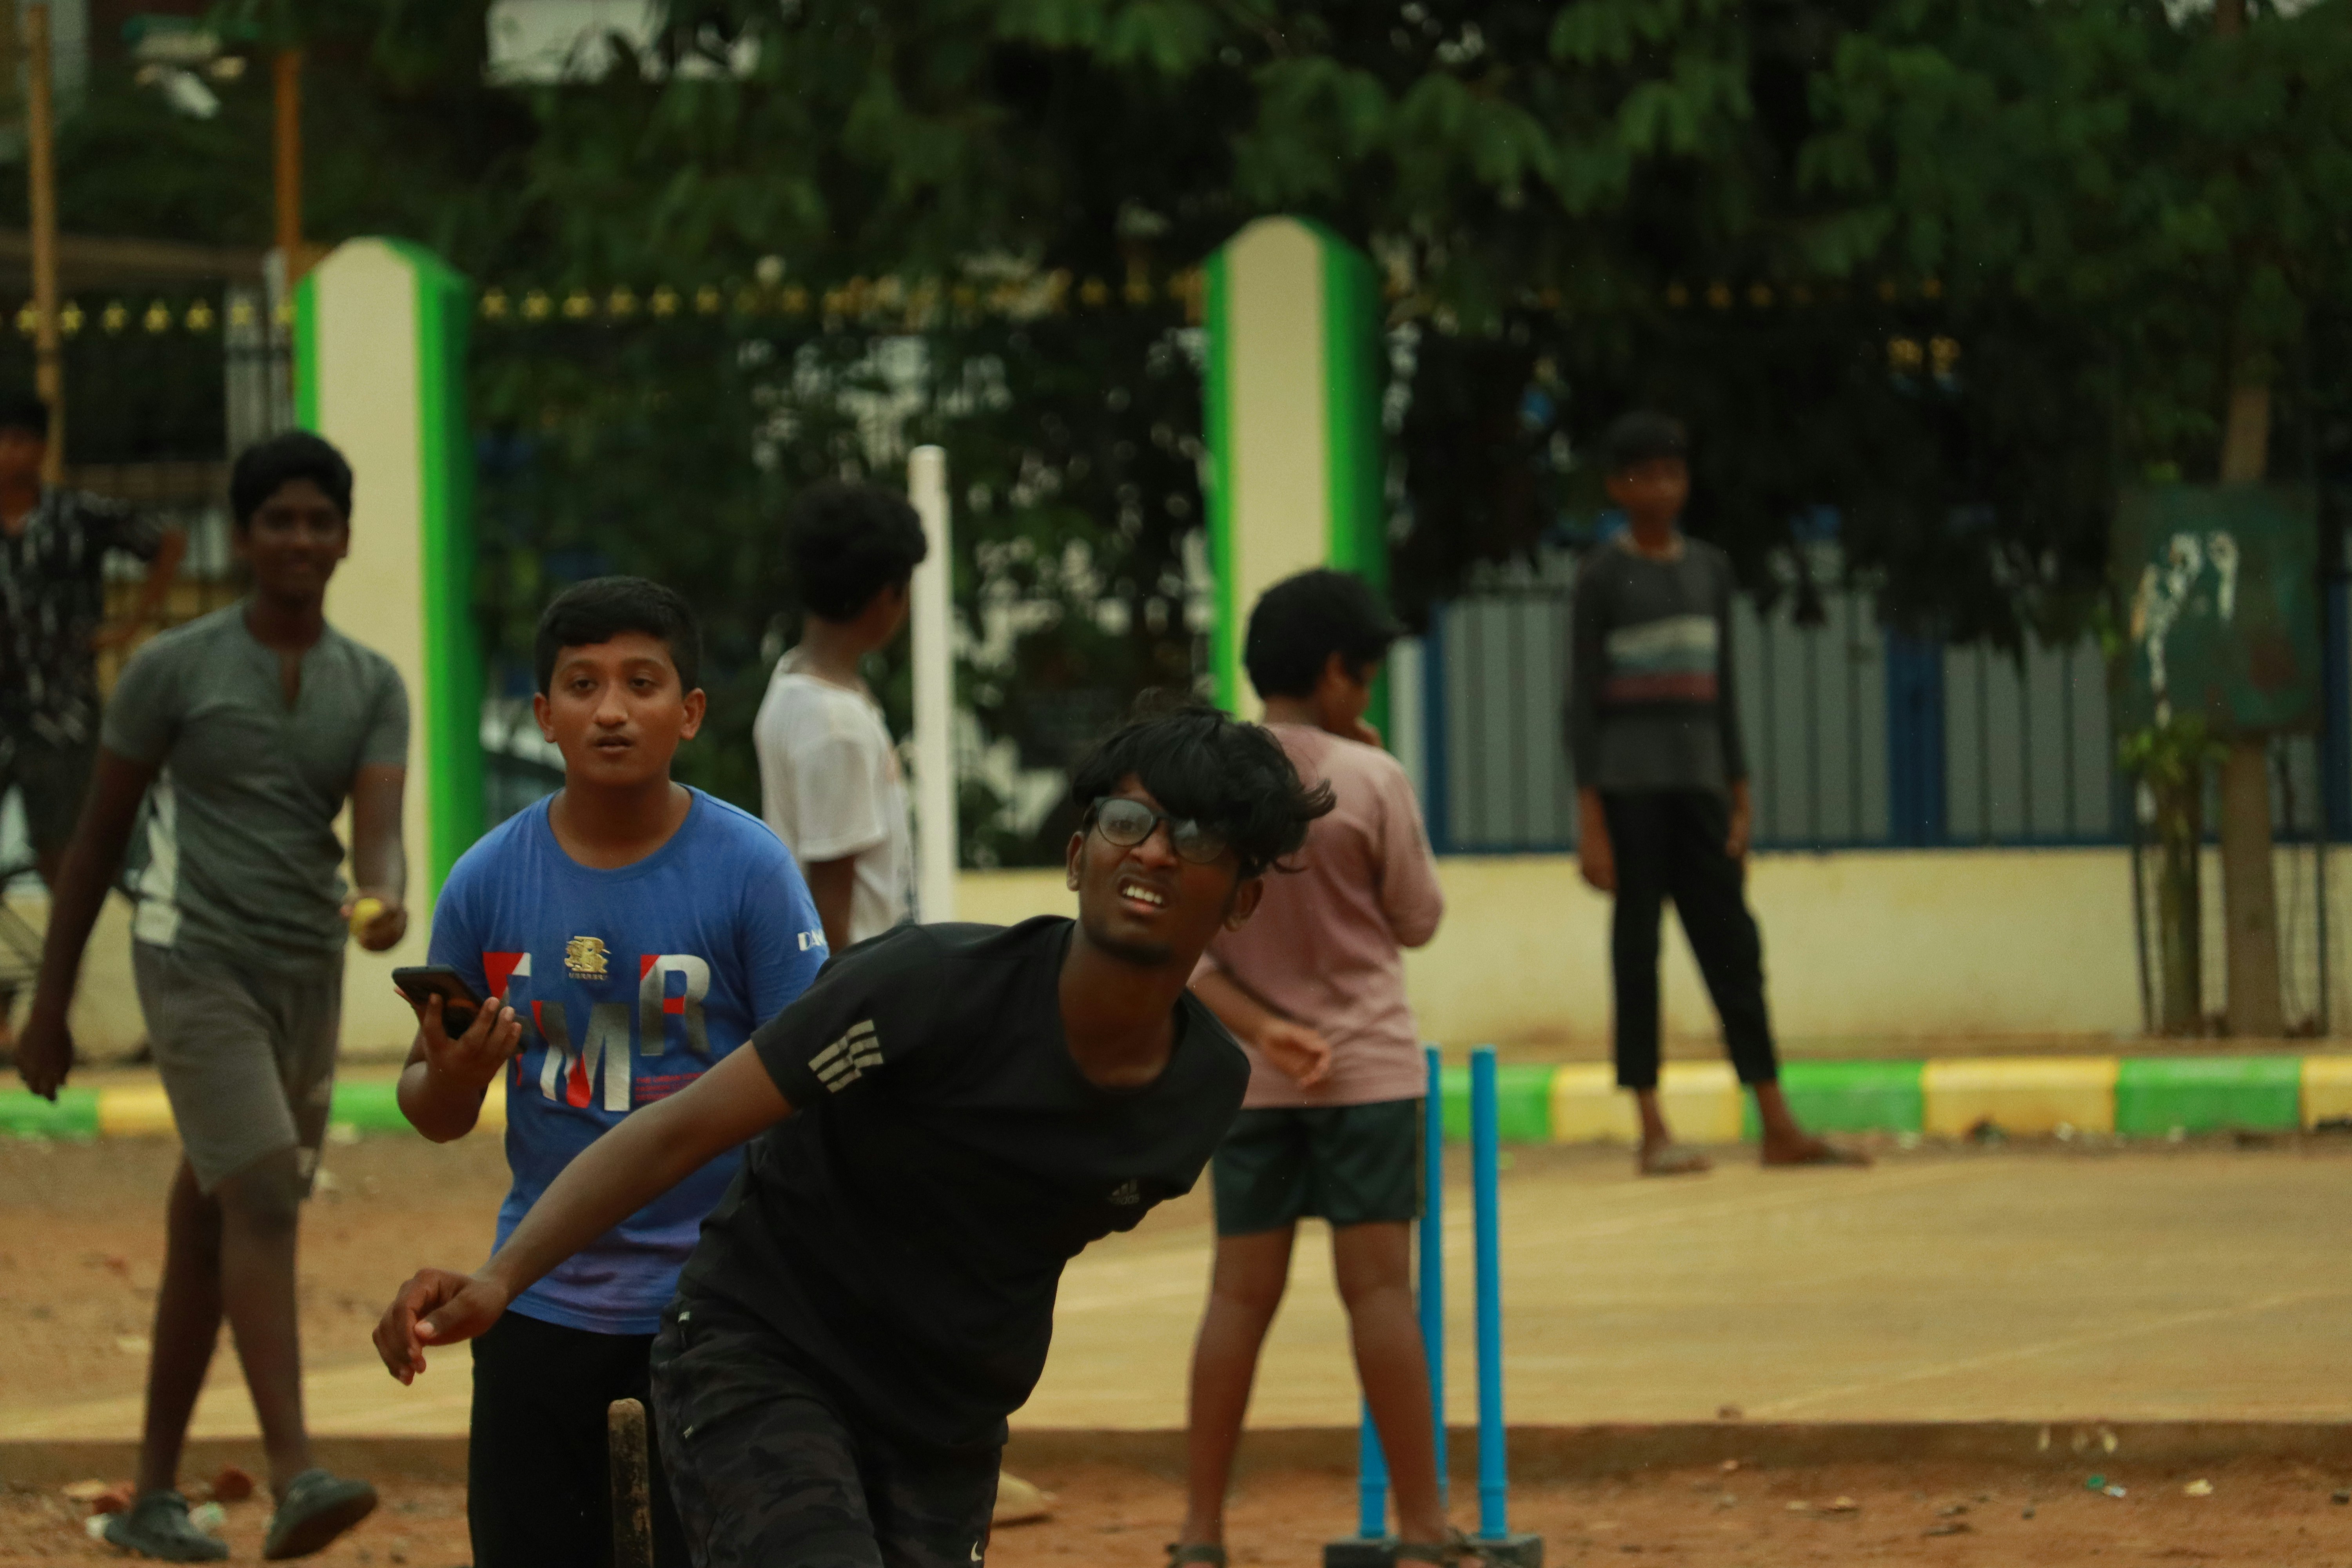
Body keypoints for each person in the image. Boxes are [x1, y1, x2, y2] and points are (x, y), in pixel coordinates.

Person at [374, 701, 1334, 1568]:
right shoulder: (924, 988)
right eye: (1130, 822)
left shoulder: (1201, 1090)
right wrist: (504, 1277)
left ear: (1244, 898)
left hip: (948, 1421)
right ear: (1081, 854)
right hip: (763, 1355)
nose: (1157, 852)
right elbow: (681, 1129)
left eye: (1198, 837)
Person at [18, 430, 407, 1559]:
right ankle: (295, 1474)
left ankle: (147, 1498)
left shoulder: (371, 685)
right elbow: (94, 844)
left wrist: (385, 903)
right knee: (269, 1197)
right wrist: (50, 1008)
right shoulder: (171, 668)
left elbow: (376, 848)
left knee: (211, 1218)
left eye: (319, 521)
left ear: (344, 539)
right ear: (242, 538)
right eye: (277, 520)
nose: (299, 539)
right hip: (191, 960)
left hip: (306, 972)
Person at [397, 576, 829, 1568]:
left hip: (716, 1310)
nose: (612, 709)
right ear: (544, 716)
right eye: (582, 685)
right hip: (539, 1299)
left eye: (642, 682)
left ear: (690, 713)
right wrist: (460, 1074)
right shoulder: (488, 880)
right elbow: (431, 1108)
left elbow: (809, 1084)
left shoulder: (751, 871)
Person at [1174, 570, 1450, 1566]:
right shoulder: (1372, 780)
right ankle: (1423, 1527)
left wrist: (1265, 1027)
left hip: (1252, 1079)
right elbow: (1418, 919)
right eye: (1366, 678)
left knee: (1237, 1298)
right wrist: (1381, 772)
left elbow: (1192, 956)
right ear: (1340, 675)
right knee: (1379, 1295)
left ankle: (1201, 1529)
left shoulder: (1211, 782)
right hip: (1369, 1070)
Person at [1566, 411, 1861, 1177]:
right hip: (1629, 791)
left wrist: (1742, 793)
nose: (1662, 487)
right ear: (1618, 486)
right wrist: (1590, 817)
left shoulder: (1710, 570)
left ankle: (1776, 1121)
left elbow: (1725, 690)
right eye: (1646, 473)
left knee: (1734, 947)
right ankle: (1652, 1126)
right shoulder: (1600, 577)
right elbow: (1581, 702)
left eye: (1674, 471)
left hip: (1701, 785)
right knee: (1639, 952)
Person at [0, 392, 187, 1053]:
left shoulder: (75, 517)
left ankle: (64, 1023)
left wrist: (130, 627)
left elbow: (167, 538)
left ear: (41, 447)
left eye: (20, 440)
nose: (9, 454)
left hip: (63, 719)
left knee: (73, 869)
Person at [753, 480, 928, 953]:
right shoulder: (836, 725)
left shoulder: (793, 681)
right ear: (887, 597)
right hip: (861, 989)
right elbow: (831, 908)